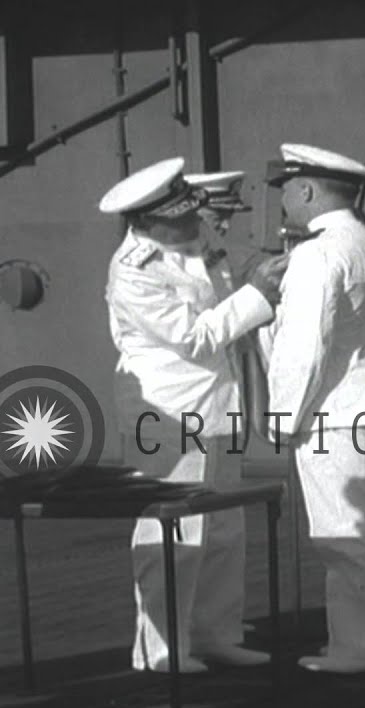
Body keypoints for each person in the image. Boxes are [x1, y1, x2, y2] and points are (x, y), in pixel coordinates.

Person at [102, 157, 290, 674]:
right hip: (165, 416)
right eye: (180, 220)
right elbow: (194, 336)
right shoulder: (135, 272)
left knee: (225, 529)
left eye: (192, 215)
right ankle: (160, 649)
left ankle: (216, 634)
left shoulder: (193, 237)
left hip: (217, 408)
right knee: (172, 535)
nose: (193, 226)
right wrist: (259, 295)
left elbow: (236, 266)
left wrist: (262, 269)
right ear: (145, 223)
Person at [262, 142, 365, 673]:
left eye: (286, 189)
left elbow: (304, 347)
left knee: (347, 532)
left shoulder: (317, 253)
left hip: (335, 409)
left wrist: (281, 420)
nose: (283, 200)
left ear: (307, 190)